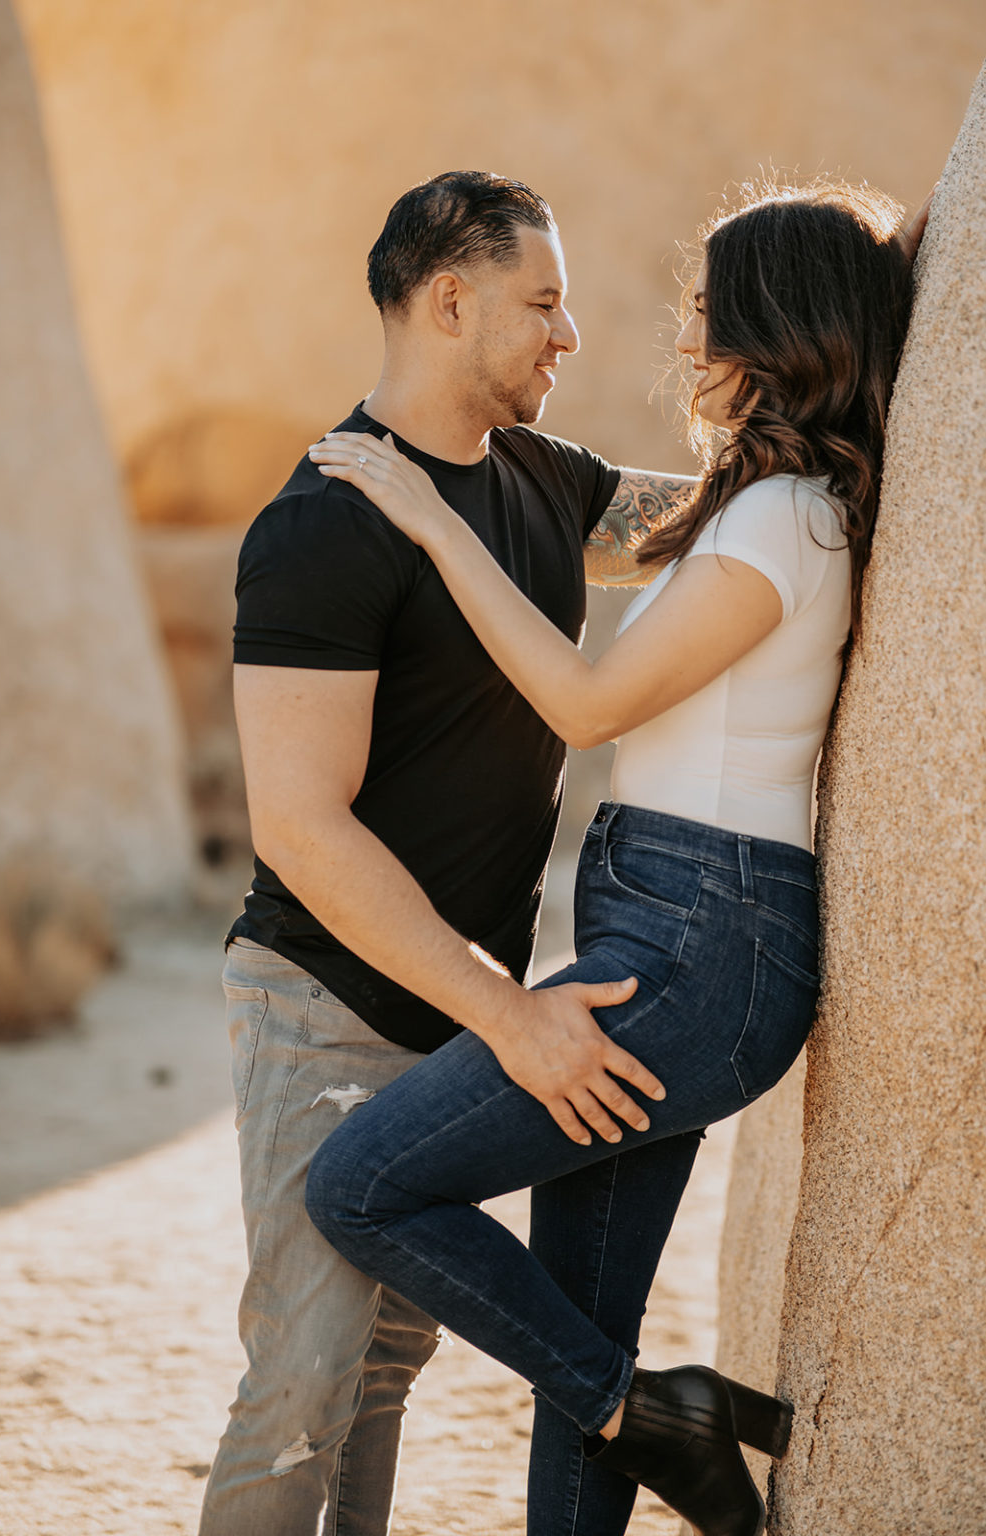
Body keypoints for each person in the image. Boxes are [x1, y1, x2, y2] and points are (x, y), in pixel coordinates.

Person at [303, 179, 918, 1536]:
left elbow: (584, 707)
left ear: (768, 323)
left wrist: (426, 517)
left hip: (704, 949)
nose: (685, 326)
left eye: (712, 303)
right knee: (581, 1332)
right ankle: (631, 1402)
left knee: (357, 1186)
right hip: (675, 932)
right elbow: (615, 535)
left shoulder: (783, 522)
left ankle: (648, 1409)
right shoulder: (760, 507)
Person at [199, 169, 698, 1536]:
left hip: (454, 1020)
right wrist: (507, 1015)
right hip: (324, 1007)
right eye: (543, 303)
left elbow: (725, 518)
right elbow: (300, 829)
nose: (568, 335)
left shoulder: (555, 486)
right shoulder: (320, 526)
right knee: (301, 1385)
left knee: (375, 1383)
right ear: (449, 301)